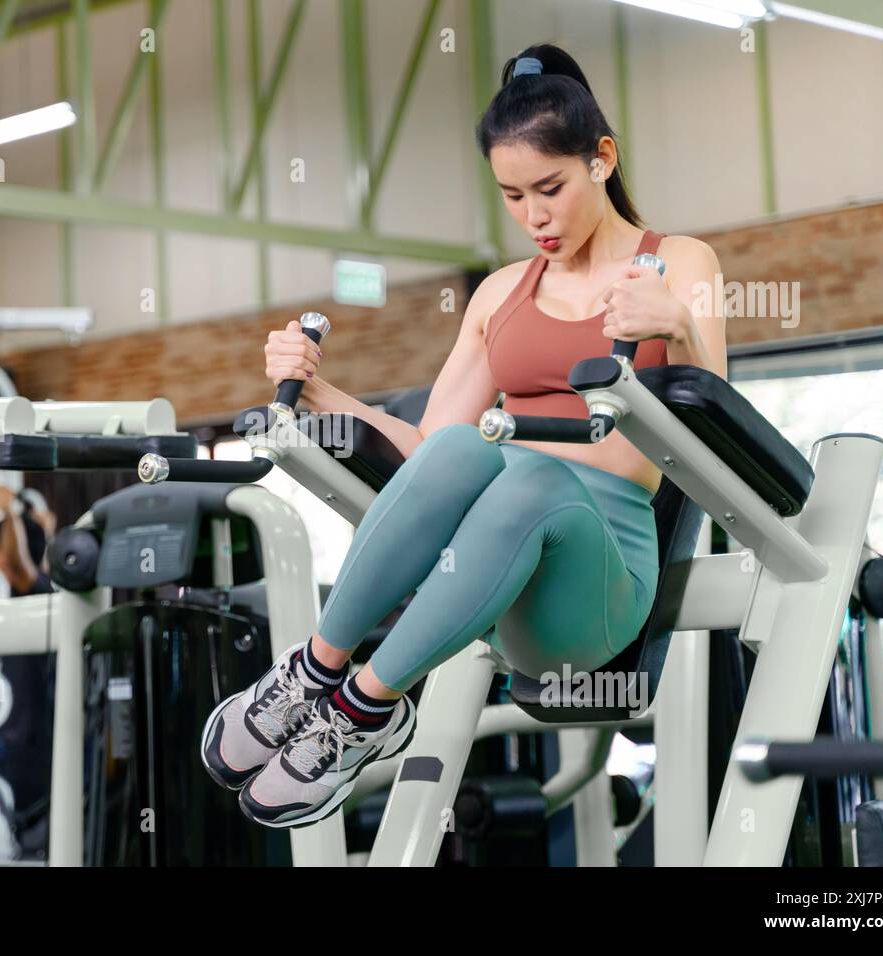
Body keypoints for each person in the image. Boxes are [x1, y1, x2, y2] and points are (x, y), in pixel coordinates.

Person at [201, 43, 728, 829]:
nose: (533, 216)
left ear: (602, 159)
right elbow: (426, 449)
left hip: (599, 587)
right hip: (499, 583)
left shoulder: (678, 262)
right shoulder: (498, 295)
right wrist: (319, 391)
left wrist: (679, 327)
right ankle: (317, 672)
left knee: (526, 475)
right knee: (459, 448)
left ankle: (365, 711)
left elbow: (716, 431)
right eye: (512, 196)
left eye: (549, 188)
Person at [0, 483, 58, 855]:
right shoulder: (42, 592)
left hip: (24, 745)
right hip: (21, 737)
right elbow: (34, 566)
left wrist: (11, 515)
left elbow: (19, 564)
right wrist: (46, 531)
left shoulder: (30, 590)